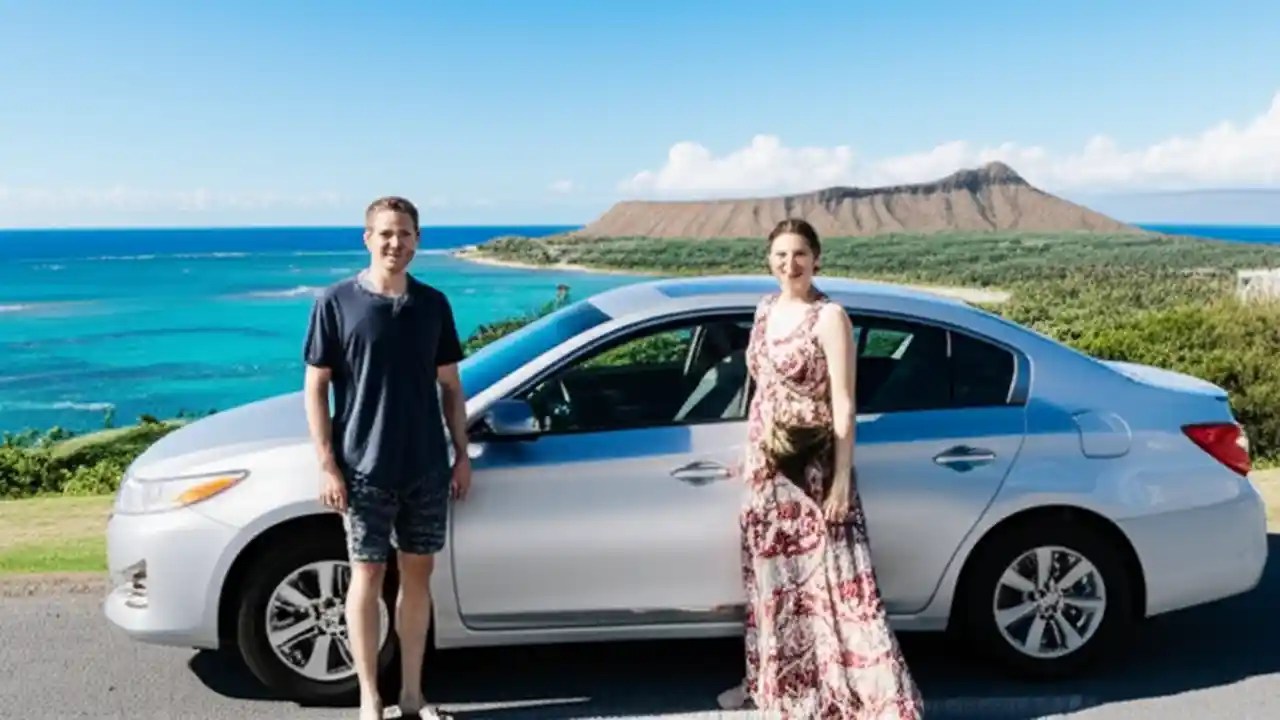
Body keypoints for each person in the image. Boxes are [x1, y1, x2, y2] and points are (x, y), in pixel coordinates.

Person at [717, 219, 924, 718]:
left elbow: (844, 403)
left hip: (813, 469)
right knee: (775, 585)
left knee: (828, 586)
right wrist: (752, 451)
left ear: (817, 258)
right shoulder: (765, 310)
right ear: (769, 260)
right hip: (768, 471)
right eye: (781, 255)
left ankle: (854, 695)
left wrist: (840, 482)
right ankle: (776, 688)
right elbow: (762, 389)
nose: (791, 265)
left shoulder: (830, 317)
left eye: (800, 254)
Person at [302, 196, 470, 720]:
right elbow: (316, 388)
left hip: (424, 468)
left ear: (418, 239)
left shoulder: (433, 305)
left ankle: (413, 694)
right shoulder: (336, 302)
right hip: (363, 470)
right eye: (386, 234)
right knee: (367, 579)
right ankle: (369, 698)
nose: (396, 243)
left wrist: (461, 455)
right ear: (367, 238)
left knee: (418, 581)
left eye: (405, 234)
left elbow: (450, 386)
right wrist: (328, 463)